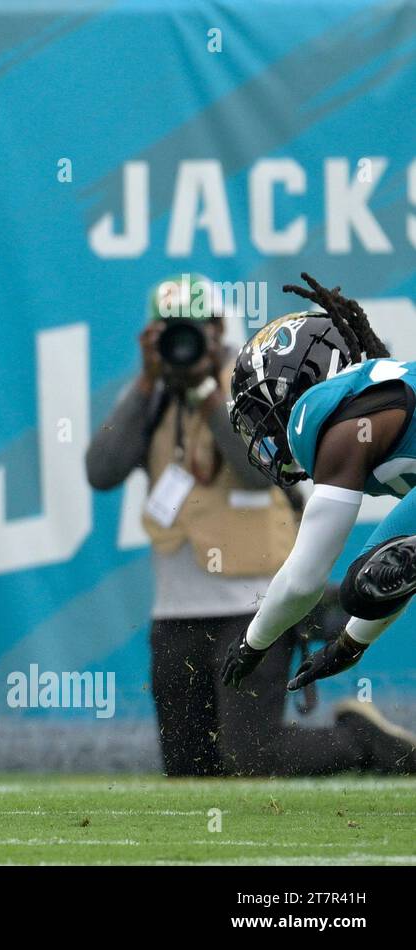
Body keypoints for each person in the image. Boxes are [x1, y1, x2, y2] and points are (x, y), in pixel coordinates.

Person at [86, 275, 380, 776]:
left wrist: (204, 388)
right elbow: (102, 470)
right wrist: (144, 382)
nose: (183, 343)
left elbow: (254, 470)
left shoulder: (250, 384)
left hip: (252, 600)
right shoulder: (153, 398)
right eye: (169, 332)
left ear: (218, 328)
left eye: (192, 330)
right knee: (189, 770)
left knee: (251, 755)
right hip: (175, 609)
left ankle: (364, 744)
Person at [220, 274, 416, 771]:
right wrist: (353, 641)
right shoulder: (376, 399)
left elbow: (305, 580)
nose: (264, 435)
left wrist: (253, 642)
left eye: (262, 412)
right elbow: (394, 561)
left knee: (360, 584)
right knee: (369, 581)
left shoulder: (324, 416)